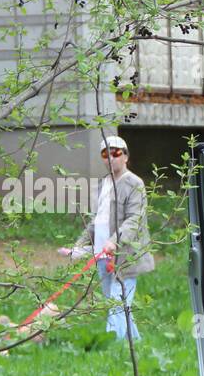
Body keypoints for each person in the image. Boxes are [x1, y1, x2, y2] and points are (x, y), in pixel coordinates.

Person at [58, 134, 154, 341]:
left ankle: (114, 347)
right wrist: (79, 246)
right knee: (117, 303)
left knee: (116, 304)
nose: (110, 157)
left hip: (124, 255)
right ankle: (135, 343)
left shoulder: (134, 183)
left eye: (116, 153)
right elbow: (97, 220)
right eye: (105, 154)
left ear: (126, 157)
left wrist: (114, 241)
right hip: (102, 254)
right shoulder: (102, 184)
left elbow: (134, 219)